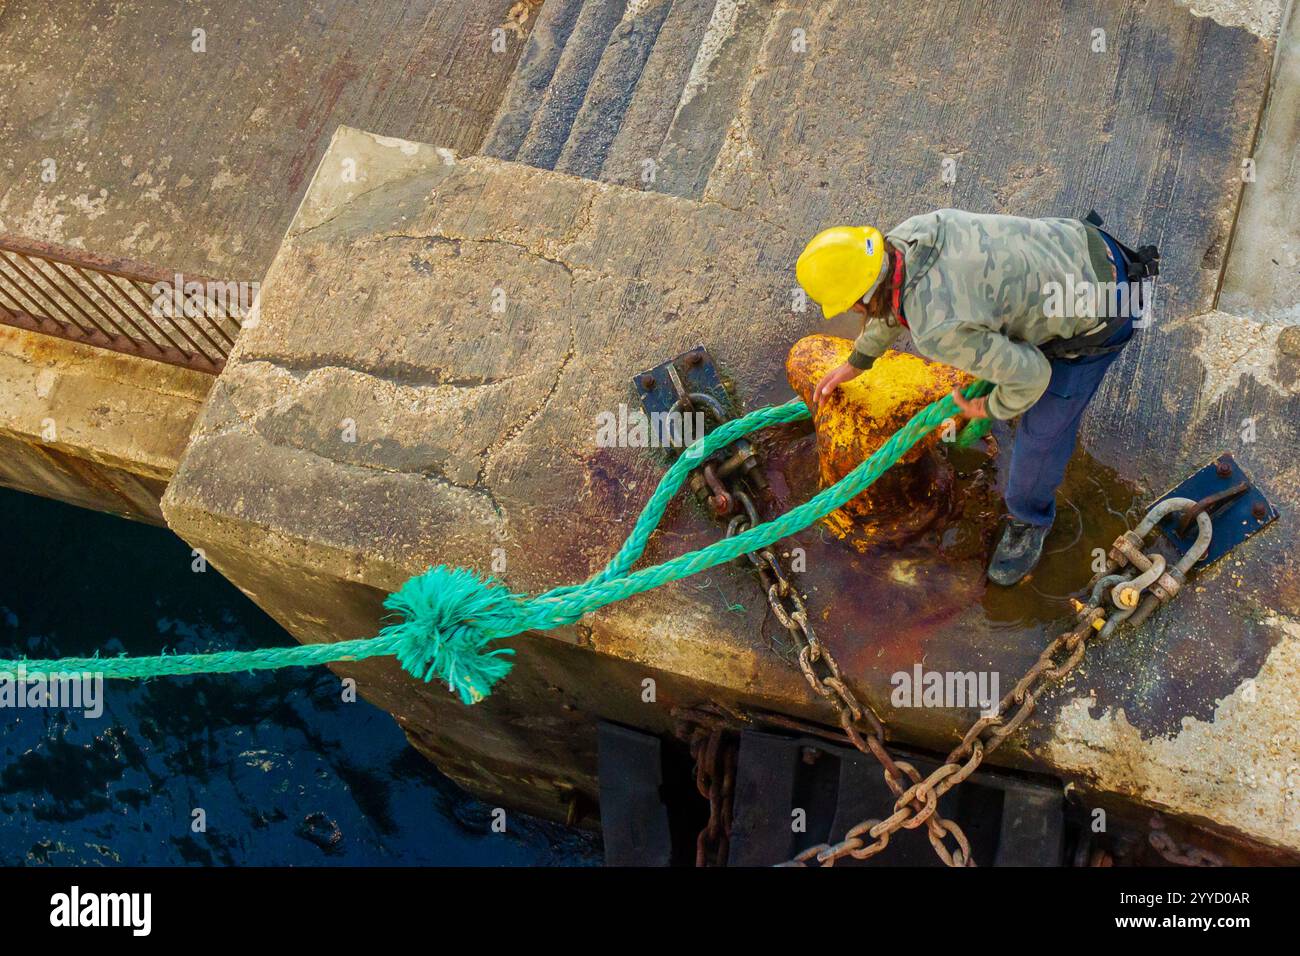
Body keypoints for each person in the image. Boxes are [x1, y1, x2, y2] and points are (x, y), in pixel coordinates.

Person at [796, 209, 1157, 585]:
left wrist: (989, 407)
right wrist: (859, 360)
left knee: (1040, 435)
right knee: (999, 342)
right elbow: (893, 302)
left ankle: (1028, 520)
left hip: (1108, 309)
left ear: (858, 301)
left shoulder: (938, 330)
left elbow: (1033, 377)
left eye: (851, 306)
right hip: (1085, 247)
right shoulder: (911, 235)